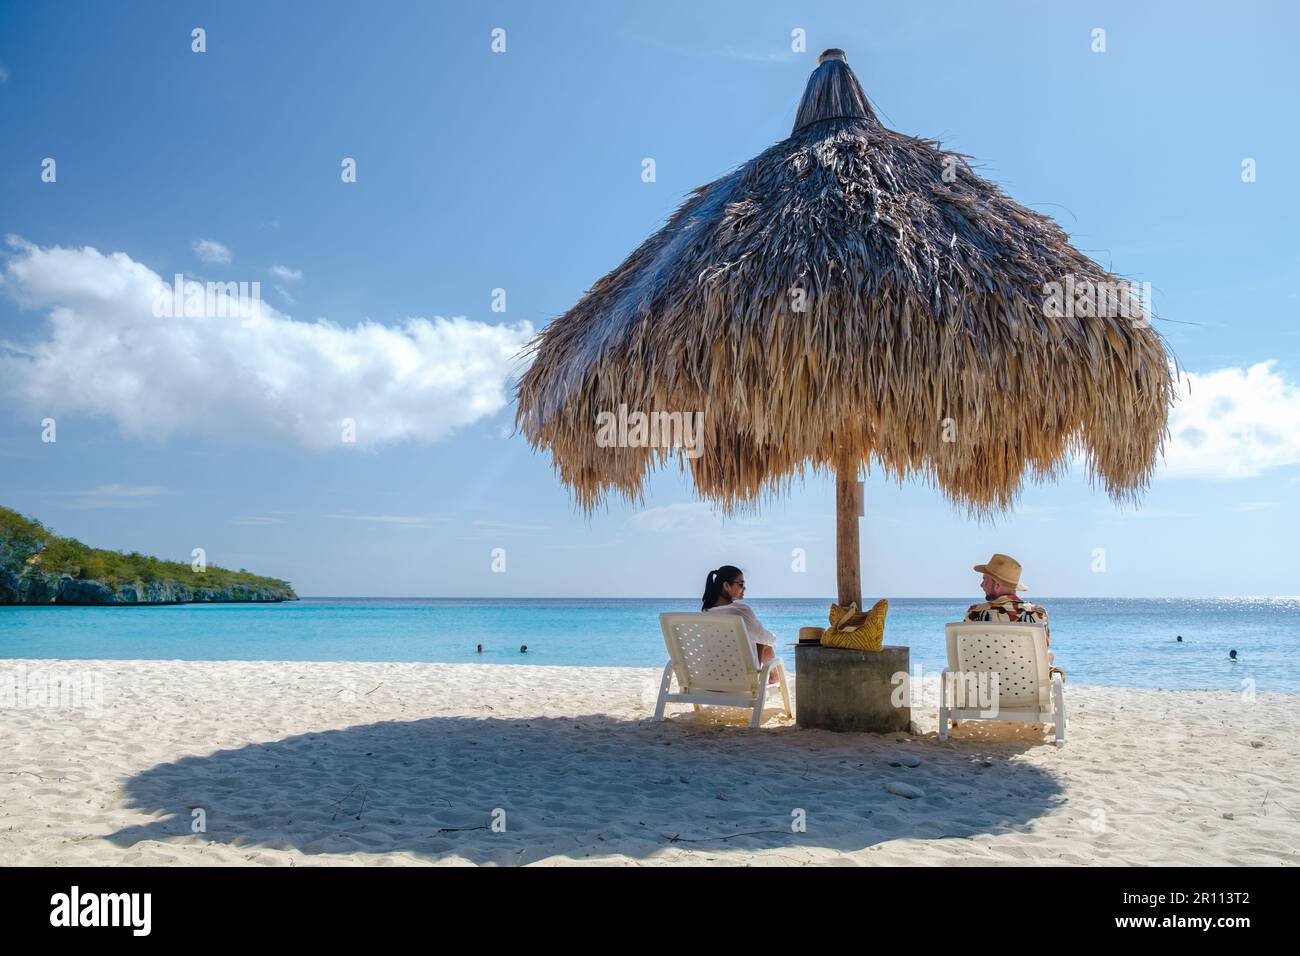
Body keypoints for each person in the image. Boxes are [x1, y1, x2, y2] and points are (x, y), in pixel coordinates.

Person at [701, 565, 779, 682]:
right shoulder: (740, 610)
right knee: (764, 643)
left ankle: (774, 677)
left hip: (711, 679)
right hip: (742, 681)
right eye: (741, 584)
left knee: (759, 641)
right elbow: (766, 638)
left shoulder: (705, 612)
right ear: (726, 586)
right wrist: (774, 638)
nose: (744, 588)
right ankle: (774, 677)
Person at [966, 553, 1051, 648]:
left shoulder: (974, 613)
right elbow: (1042, 651)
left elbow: (966, 648)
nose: (981, 585)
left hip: (983, 662)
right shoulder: (1038, 613)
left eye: (985, 580)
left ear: (997, 586)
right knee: (1050, 655)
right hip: (1023, 663)